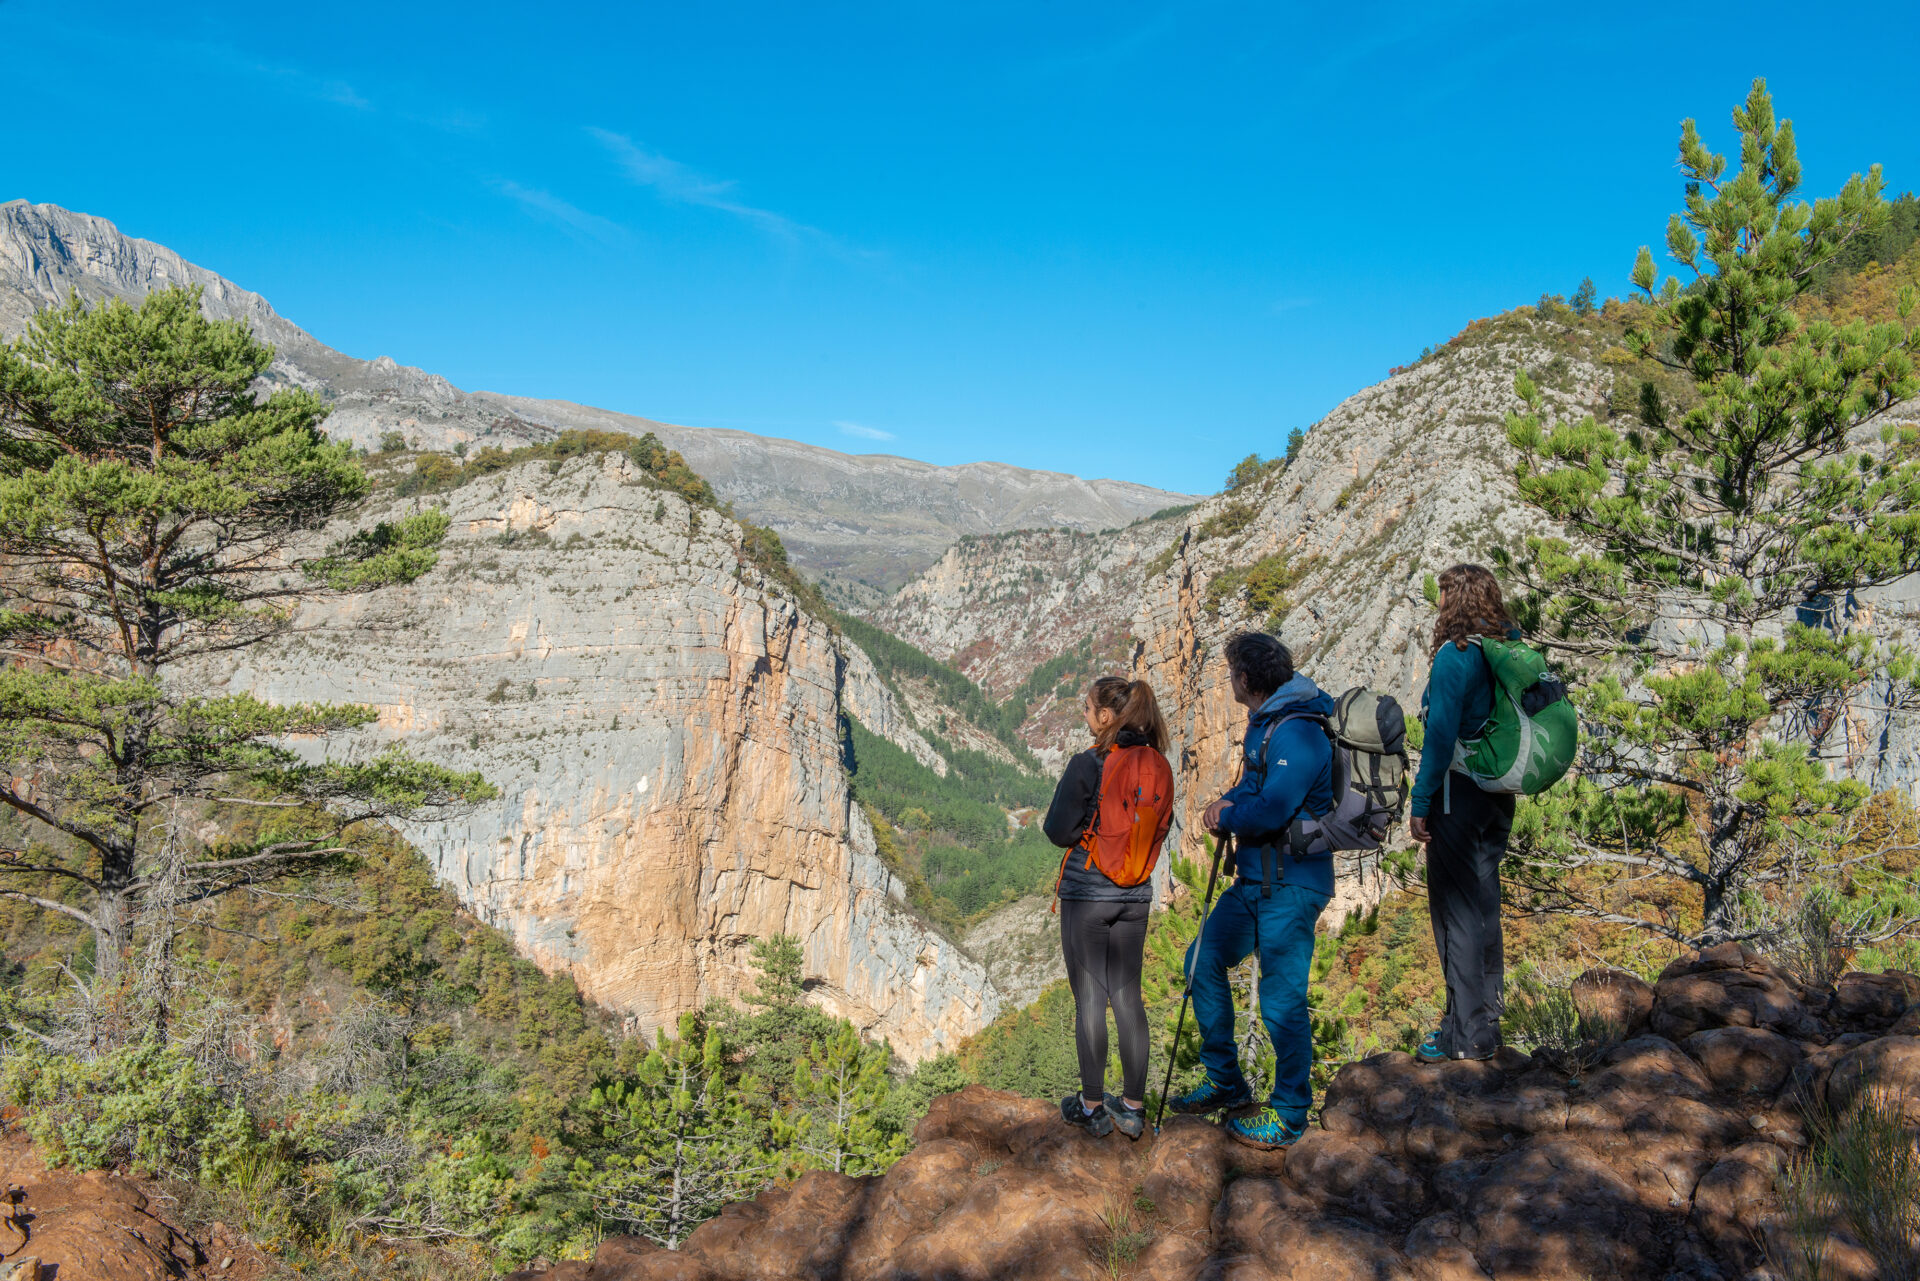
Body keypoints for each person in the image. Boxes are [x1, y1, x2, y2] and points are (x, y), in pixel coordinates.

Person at [1169, 632, 1336, 1150]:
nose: (1229, 680)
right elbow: (1254, 789)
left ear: (1245, 678)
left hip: (1292, 884)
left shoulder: (1298, 732)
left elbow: (1274, 807)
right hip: (1254, 882)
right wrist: (1224, 802)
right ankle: (1225, 1080)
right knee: (1201, 961)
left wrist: (1231, 815)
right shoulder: (1268, 723)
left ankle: (1289, 1113)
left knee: (1281, 1001)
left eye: (1231, 672)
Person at [1043, 676, 1171, 1140]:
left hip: (1088, 895)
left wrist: (1089, 836)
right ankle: (1133, 1108)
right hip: (1136, 895)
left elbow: (1057, 830)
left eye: (1088, 707)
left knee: (1091, 1000)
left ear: (1104, 717)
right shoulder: (1157, 763)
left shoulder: (1089, 762)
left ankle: (1092, 1106)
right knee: (1128, 997)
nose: (1084, 714)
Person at [1408, 563, 1520, 1063]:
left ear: (1455, 600)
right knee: (1483, 904)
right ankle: (1486, 1018)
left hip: (1458, 793)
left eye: (1442, 595)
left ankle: (1465, 1032)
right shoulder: (1506, 649)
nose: (1437, 604)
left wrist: (1421, 802)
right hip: (1499, 793)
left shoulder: (1456, 658)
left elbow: (1438, 739)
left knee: (1453, 913)